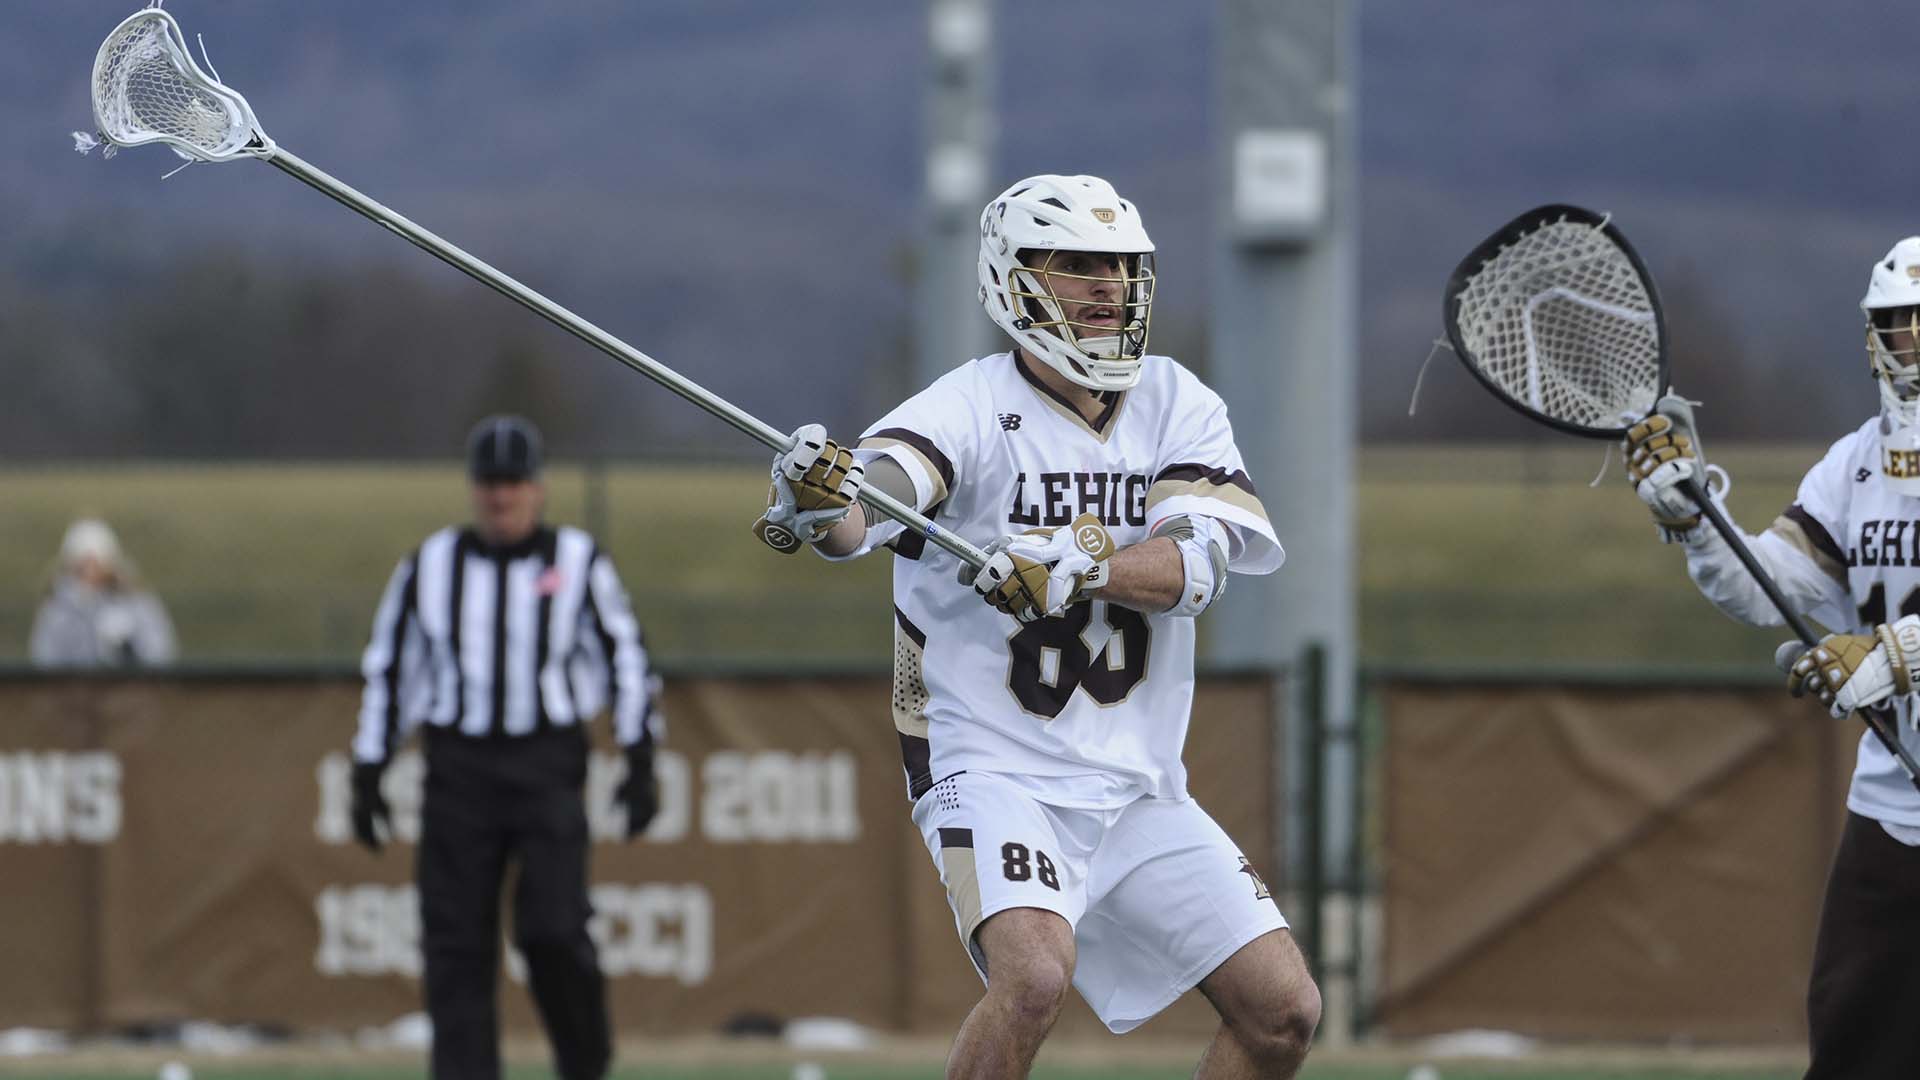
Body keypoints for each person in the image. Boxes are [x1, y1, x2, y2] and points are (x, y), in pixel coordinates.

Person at [752, 175, 1321, 1079]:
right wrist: (826, 498)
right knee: (1033, 980)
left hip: (1136, 783)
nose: (1109, 287)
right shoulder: (968, 405)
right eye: (1080, 265)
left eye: (1124, 268)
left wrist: (1081, 564)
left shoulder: (1179, 403)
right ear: (1017, 281)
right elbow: (878, 499)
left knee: (1283, 1011)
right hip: (989, 763)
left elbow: (1201, 564)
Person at [1625, 237, 1920, 1080]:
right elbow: (1775, 585)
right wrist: (1694, 519)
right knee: (1856, 1052)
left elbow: (1887, 648)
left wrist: (1894, 654)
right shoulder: (1857, 463)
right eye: (1904, 328)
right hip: (1896, 819)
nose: (1915, 351)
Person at [349, 414, 661, 1080]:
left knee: (552, 929)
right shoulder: (429, 566)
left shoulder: (576, 561)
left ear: (538, 488)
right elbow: (391, 669)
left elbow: (626, 661)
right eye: (490, 483)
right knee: (455, 944)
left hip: (545, 762)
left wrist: (639, 757)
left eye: (514, 482)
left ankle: (585, 1061)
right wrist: (369, 764)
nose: (501, 497)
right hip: (458, 767)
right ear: (473, 490)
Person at [29, 518, 177, 668]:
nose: (90, 571)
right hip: (72, 689)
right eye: (83, 563)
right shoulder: (56, 609)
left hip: (128, 689)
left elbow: (160, 653)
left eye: (96, 562)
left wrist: (128, 648)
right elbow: (44, 658)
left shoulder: (138, 603)